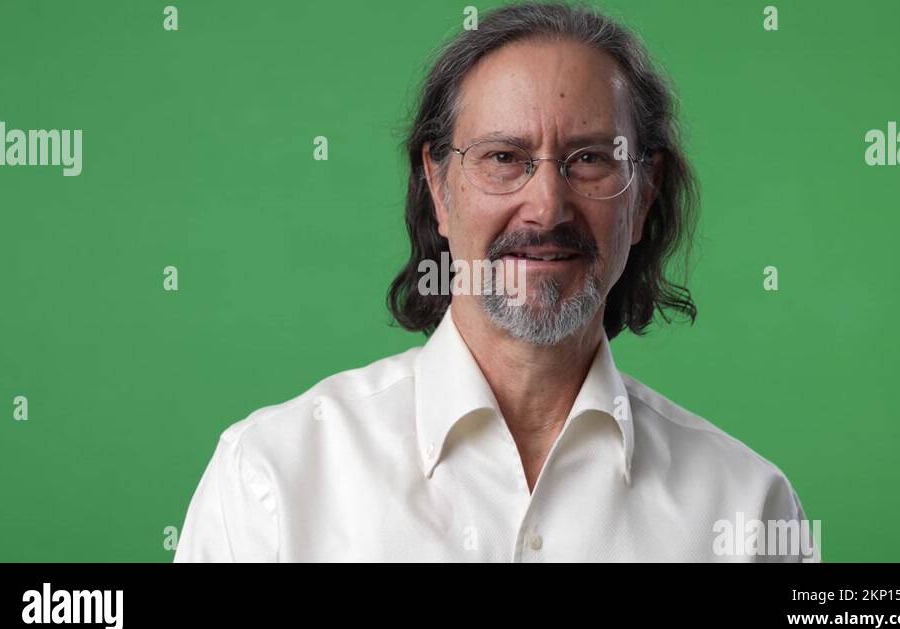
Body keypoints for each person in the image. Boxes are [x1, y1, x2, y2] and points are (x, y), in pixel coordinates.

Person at [174, 1, 816, 562]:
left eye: (590, 159)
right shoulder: (270, 480)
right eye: (504, 158)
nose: (546, 206)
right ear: (439, 189)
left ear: (644, 195)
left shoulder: (748, 510)